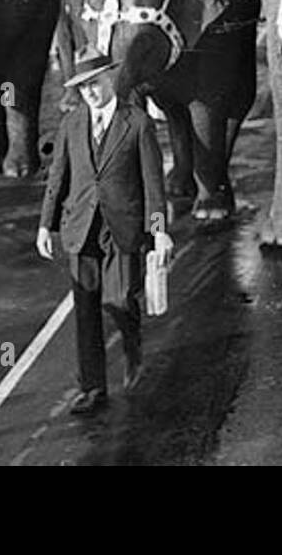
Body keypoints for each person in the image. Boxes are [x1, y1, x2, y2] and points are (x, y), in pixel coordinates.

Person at [36, 50, 173, 415]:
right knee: (85, 310)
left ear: (110, 79)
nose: (91, 93)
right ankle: (92, 387)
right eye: (83, 88)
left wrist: (158, 232)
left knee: (122, 298)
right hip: (81, 229)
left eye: (94, 84)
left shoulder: (138, 124)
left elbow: (153, 185)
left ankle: (133, 351)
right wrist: (45, 225)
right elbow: (57, 178)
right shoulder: (71, 125)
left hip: (122, 229)